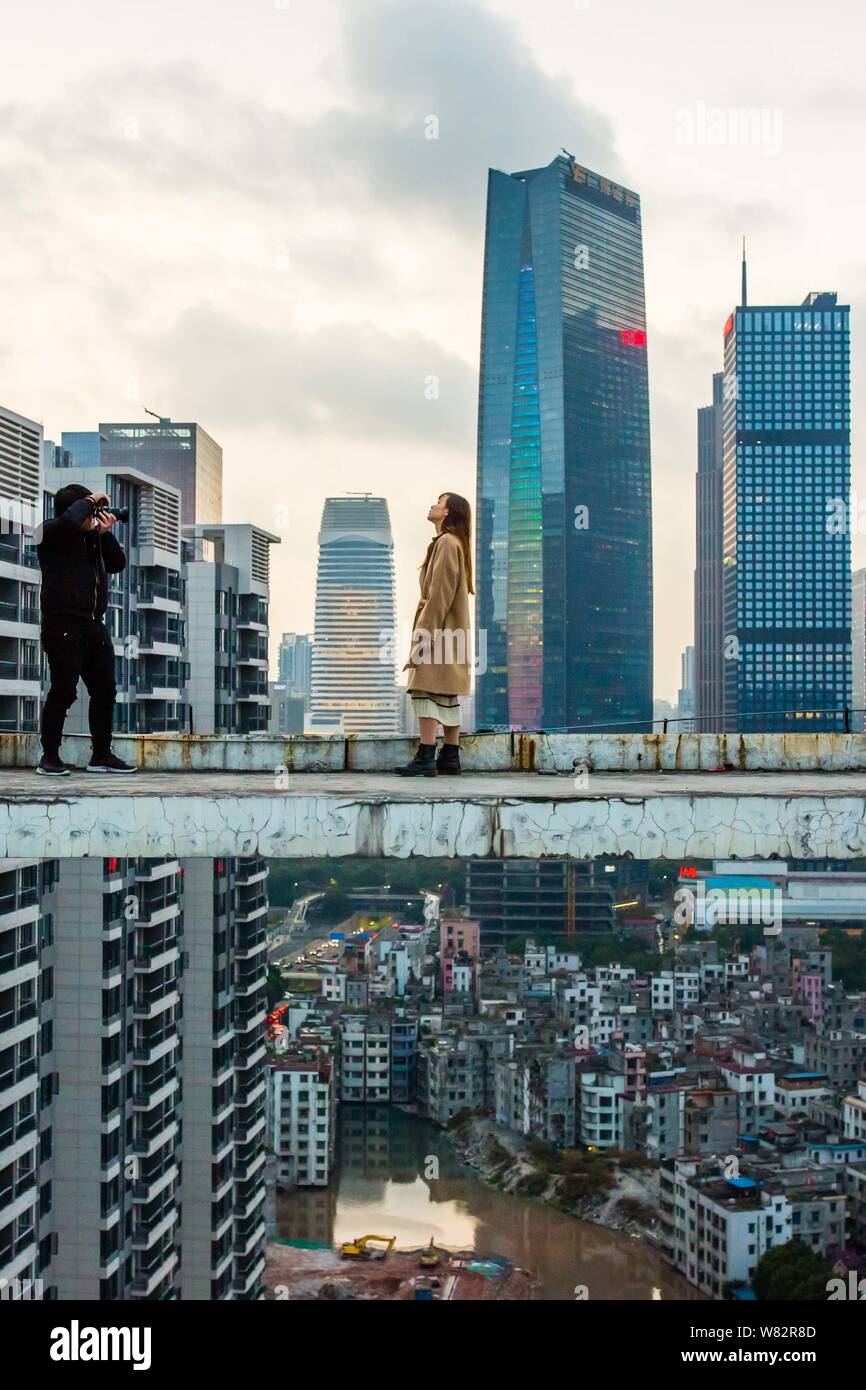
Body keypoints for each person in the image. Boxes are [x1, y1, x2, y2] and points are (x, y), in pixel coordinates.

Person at [35, 483, 136, 776]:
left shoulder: (90, 539)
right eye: (90, 510)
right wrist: (93, 500)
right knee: (63, 690)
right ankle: (49, 757)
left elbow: (117, 564)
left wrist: (103, 534)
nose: (94, 516)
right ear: (76, 508)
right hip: (63, 624)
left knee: (105, 690)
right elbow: (68, 522)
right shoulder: (49, 532)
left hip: (93, 625)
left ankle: (101, 755)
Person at [396, 492, 473, 777]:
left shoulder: (446, 543)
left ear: (448, 512)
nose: (433, 505)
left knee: (424, 688)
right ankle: (450, 756)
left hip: (438, 628)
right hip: (452, 629)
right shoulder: (455, 543)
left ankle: (426, 755)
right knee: (447, 691)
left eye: (439, 502)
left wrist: (425, 631)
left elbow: (440, 591)